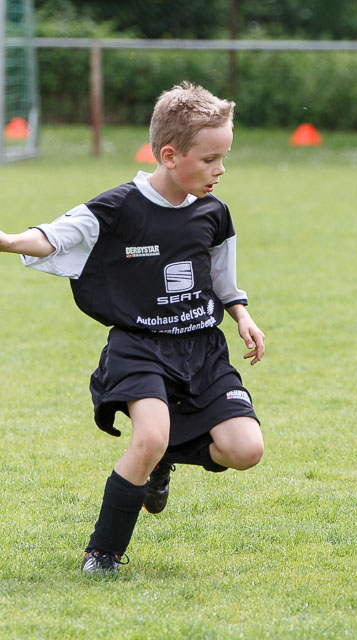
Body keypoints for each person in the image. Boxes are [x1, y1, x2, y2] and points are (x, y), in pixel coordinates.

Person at [0, 82, 266, 575]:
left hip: (202, 350)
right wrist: (8, 240)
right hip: (140, 347)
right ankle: (103, 553)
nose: (220, 170)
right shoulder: (118, 207)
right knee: (147, 438)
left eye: (223, 157)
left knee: (245, 450)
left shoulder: (214, 212)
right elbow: (51, 238)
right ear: (169, 155)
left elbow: (223, 278)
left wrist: (242, 315)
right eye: (210, 159)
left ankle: (160, 461)